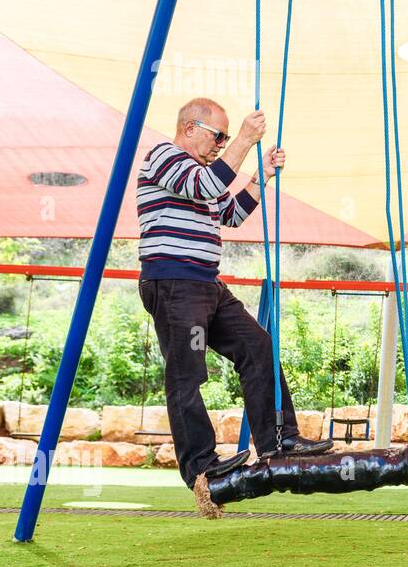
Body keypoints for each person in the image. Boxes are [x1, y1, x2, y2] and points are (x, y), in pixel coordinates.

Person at [137, 97, 332, 518]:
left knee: (257, 345)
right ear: (190, 127)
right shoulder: (163, 157)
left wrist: (261, 176)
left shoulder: (201, 176)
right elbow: (207, 186)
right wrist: (246, 138)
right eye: (218, 136)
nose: (223, 144)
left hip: (206, 285)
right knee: (186, 373)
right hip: (173, 283)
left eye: (228, 137)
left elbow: (231, 213)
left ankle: (277, 439)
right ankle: (200, 468)